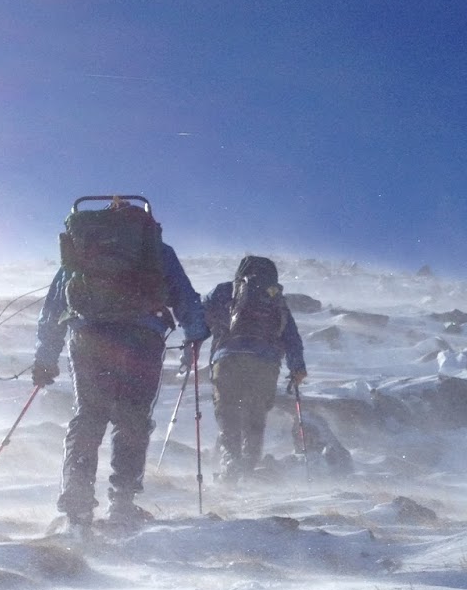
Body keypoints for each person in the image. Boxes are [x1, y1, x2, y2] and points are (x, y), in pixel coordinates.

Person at [32, 198, 209, 533]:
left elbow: (54, 307)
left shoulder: (82, 249)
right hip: (142, 338)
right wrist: (195, 337)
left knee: (88, 415)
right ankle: (123, 503)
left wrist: (45, 358)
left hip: (88, 337)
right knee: (132, 417)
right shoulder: (156, 249)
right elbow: (185, 297)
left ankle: (77, 504)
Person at [203, 255, 306, 480]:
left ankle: (230, 463)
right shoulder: (275, 299)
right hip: (265, 363)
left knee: (228, 412)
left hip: (227, 359)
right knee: (256, 415)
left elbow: (200, 315)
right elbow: (291, 337)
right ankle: (248, 468)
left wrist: (196, 338)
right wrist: (297, 367)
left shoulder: (226, 290)